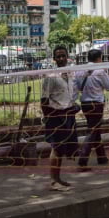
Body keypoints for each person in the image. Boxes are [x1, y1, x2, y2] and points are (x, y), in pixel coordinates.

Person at [41, 46, 78, 192]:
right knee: (56, 148)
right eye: (58, 56)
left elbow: (68, 94)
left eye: (63, 56)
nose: (61, 59)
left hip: (68, 114)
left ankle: (58, 178)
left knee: (62, 149)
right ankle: (52, 181)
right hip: (55, 115)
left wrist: (73, 105)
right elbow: (44, 99)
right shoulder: (51, 76)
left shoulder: (69, 74)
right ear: (54, 59)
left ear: (67, 57)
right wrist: (48, 116)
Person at [76, 48, 109, 171]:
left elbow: (75, 87)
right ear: (99, 58)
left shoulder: (79, 71)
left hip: (85, 103)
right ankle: (83, 159)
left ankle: (102, 157)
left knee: (95, 129)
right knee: (92, 130)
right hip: (96, 104)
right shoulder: (100, 71)